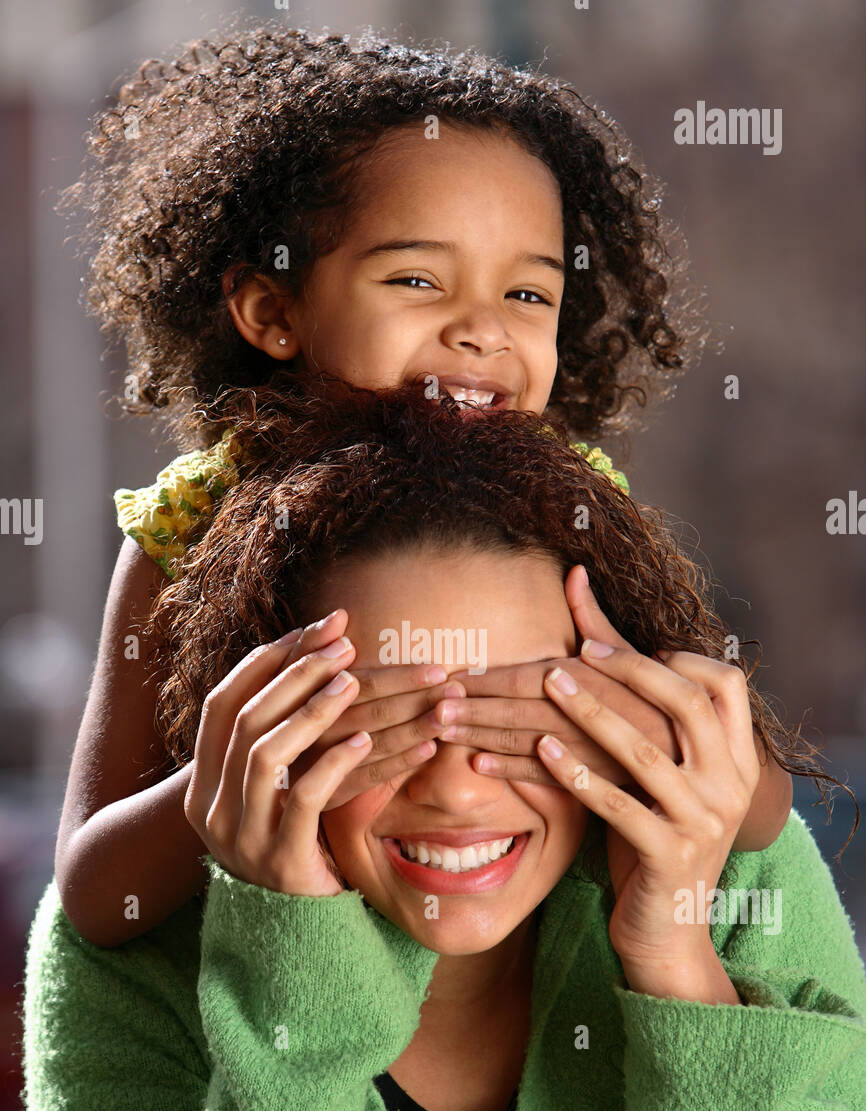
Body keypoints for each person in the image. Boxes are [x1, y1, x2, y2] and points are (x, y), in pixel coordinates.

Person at [24, 386, 866, 1111]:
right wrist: (298, 994)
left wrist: (679, 964)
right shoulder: (130, 946)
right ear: (266, 731)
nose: (458, 789)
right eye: (383, 728)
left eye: (517, 722)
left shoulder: (736, 883)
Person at [53, 23, 792, 946]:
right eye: (416, 279)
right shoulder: (195, 521)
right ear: (274, 310)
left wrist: (649, 719)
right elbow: (93, 894)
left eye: (528, 295)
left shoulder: (572, 503)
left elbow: (760, 818)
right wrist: (238, 780)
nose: (483, 330)